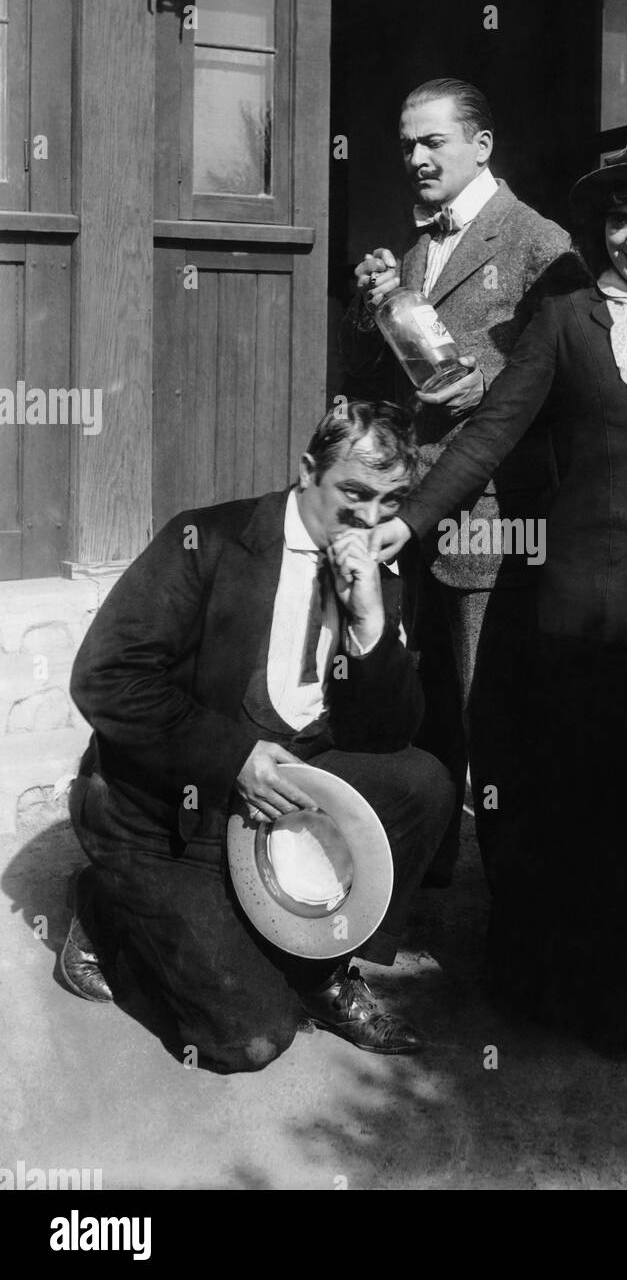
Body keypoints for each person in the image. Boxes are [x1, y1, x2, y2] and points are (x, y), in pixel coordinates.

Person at [369, 138, 627, 1053]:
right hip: (590, 606)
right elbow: (487, 434)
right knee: (601, 803)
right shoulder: (567, 319)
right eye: (620, 220)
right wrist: (413, 519)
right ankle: (598, 993)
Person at [62, 402, 454, 1072]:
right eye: (354, 494)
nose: (369, 521)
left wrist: (368, 625)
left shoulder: (380, 562)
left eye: (391, 502)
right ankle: (105, 906)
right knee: (248, 1040)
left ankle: (323, 968)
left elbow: (390, 735)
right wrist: (231, 757)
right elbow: (104, 677)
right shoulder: (207, 541)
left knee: (422, 783)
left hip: (283, 789)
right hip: (169, 811)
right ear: (307, 471)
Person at [339, 77, 586, 888]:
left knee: (495, 720)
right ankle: (430, 872)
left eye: (431, 141)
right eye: (406, 144)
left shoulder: (538, 243)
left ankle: (520, 916)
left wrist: (492, 387)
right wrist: (373, 305)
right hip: (417, 510)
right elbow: (394, 370)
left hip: (493, 518)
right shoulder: (416, 249)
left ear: (481, 146)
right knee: (430, 709)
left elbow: (578, 382)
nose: (413, 158)